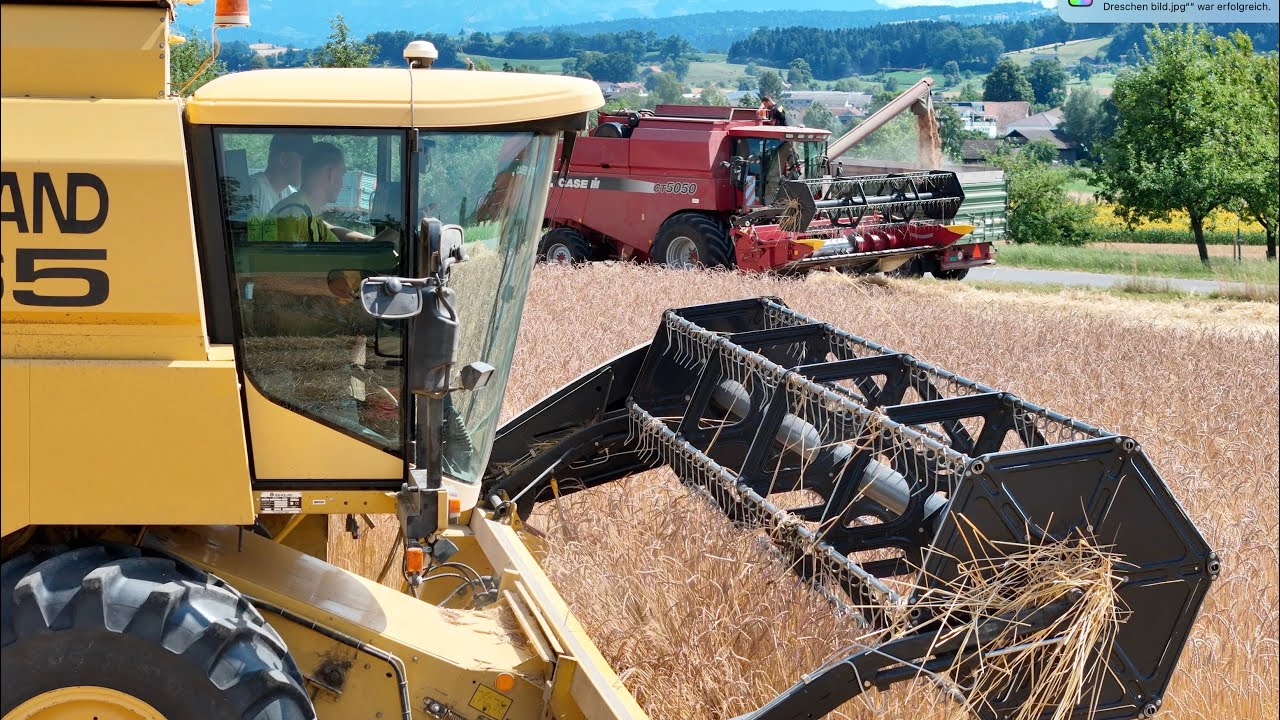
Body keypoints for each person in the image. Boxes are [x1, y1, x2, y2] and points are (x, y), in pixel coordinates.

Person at [269, 142, 396, 244]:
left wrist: (396, 228)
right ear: (331, 173)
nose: (342, 184)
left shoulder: (308, 215)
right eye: (342, 174)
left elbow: (343, 255)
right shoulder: (294, 215)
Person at [248, 133, 311, 216]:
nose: (307, 168)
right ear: (284, 159)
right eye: (303, 161)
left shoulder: (290, 194)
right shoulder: (254, 189)